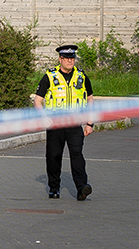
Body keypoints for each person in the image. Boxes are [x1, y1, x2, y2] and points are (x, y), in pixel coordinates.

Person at [34, 44, 94, 201]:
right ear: (60, 59)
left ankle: (82, 188)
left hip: (74, 124)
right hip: (55, 124)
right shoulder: (49, 77)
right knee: (54, 156)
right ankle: (54, 188)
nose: (70, 60)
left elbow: (90, 99)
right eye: (67, 58)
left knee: (77, 155)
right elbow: (38, 101)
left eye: (72, 57)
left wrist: (90, 122)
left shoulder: (81, 76)